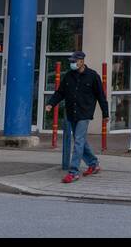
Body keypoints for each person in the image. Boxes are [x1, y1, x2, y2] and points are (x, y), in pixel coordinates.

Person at [45, 51, 109, 183]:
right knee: (81, 140)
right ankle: (93, 163)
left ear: (82, 61)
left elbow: (101, 96)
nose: (72, 63)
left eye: (74, 61)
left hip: (84, 113)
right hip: (72, 112)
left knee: (78, 141)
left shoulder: (93, 76)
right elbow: (60, 92)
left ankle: (73, 171)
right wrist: (51, 104)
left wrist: (105, 114)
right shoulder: (69, 76)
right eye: (71, 61)